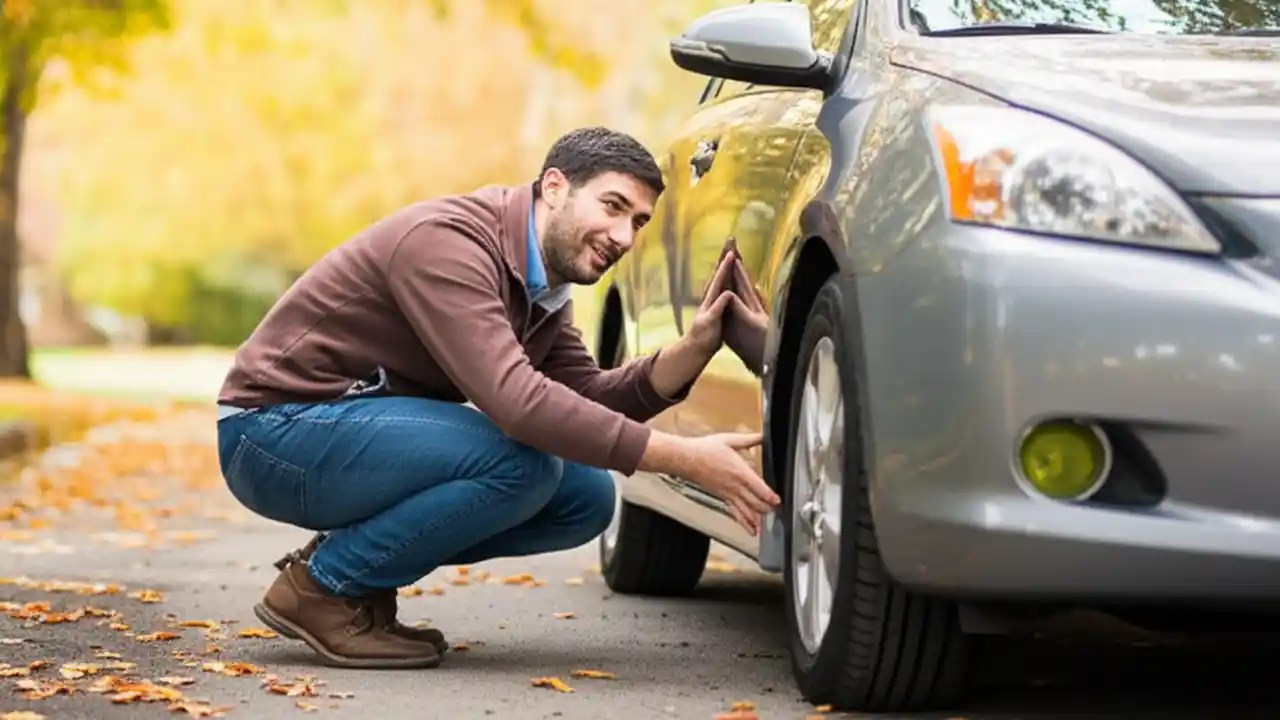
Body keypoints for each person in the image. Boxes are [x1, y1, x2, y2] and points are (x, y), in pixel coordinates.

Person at [215, 127, 782, 670]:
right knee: (524, 465)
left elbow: (588, 399)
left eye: (637, 222)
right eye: (612, 207)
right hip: (272, 432)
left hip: (337, 432)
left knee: (583, 497)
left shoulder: (541, 284)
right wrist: (686, 458)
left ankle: (357, 578)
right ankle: (325, 588)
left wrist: (698, 345)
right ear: (554, 186)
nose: (624, 238)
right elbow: (519, 405)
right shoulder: (449, 244)